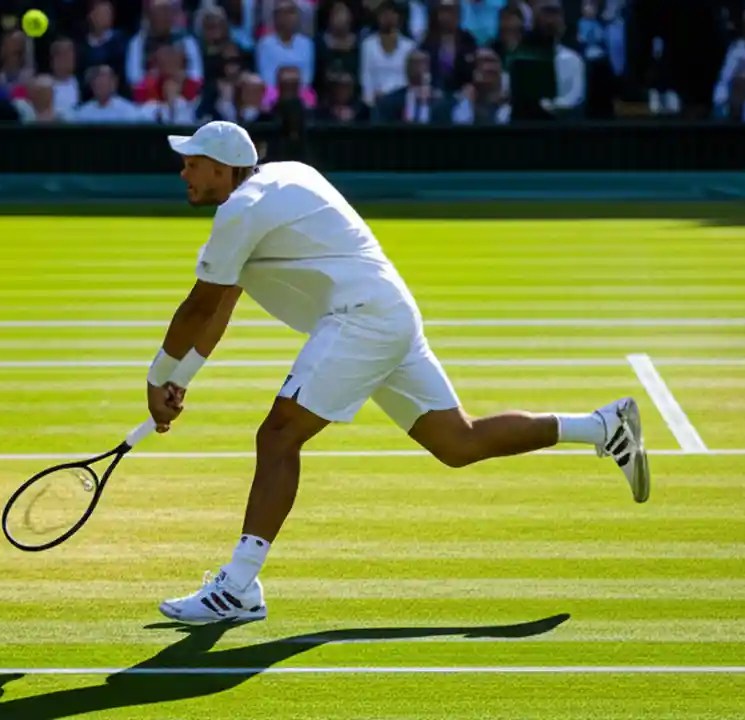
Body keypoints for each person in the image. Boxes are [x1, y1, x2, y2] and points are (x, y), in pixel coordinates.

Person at [148, 121, 651, 624]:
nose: (183, 172)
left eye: (192, 164)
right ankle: (603, 427)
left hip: (360, 317)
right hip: (391, 311)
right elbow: (222, 307)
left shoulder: (242, 208)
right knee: (459, 442)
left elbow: (198, 308)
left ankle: (238, 586)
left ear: (221, 168)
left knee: (278, 436)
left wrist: (158, 379)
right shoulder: (286, 176)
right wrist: (182, 379)